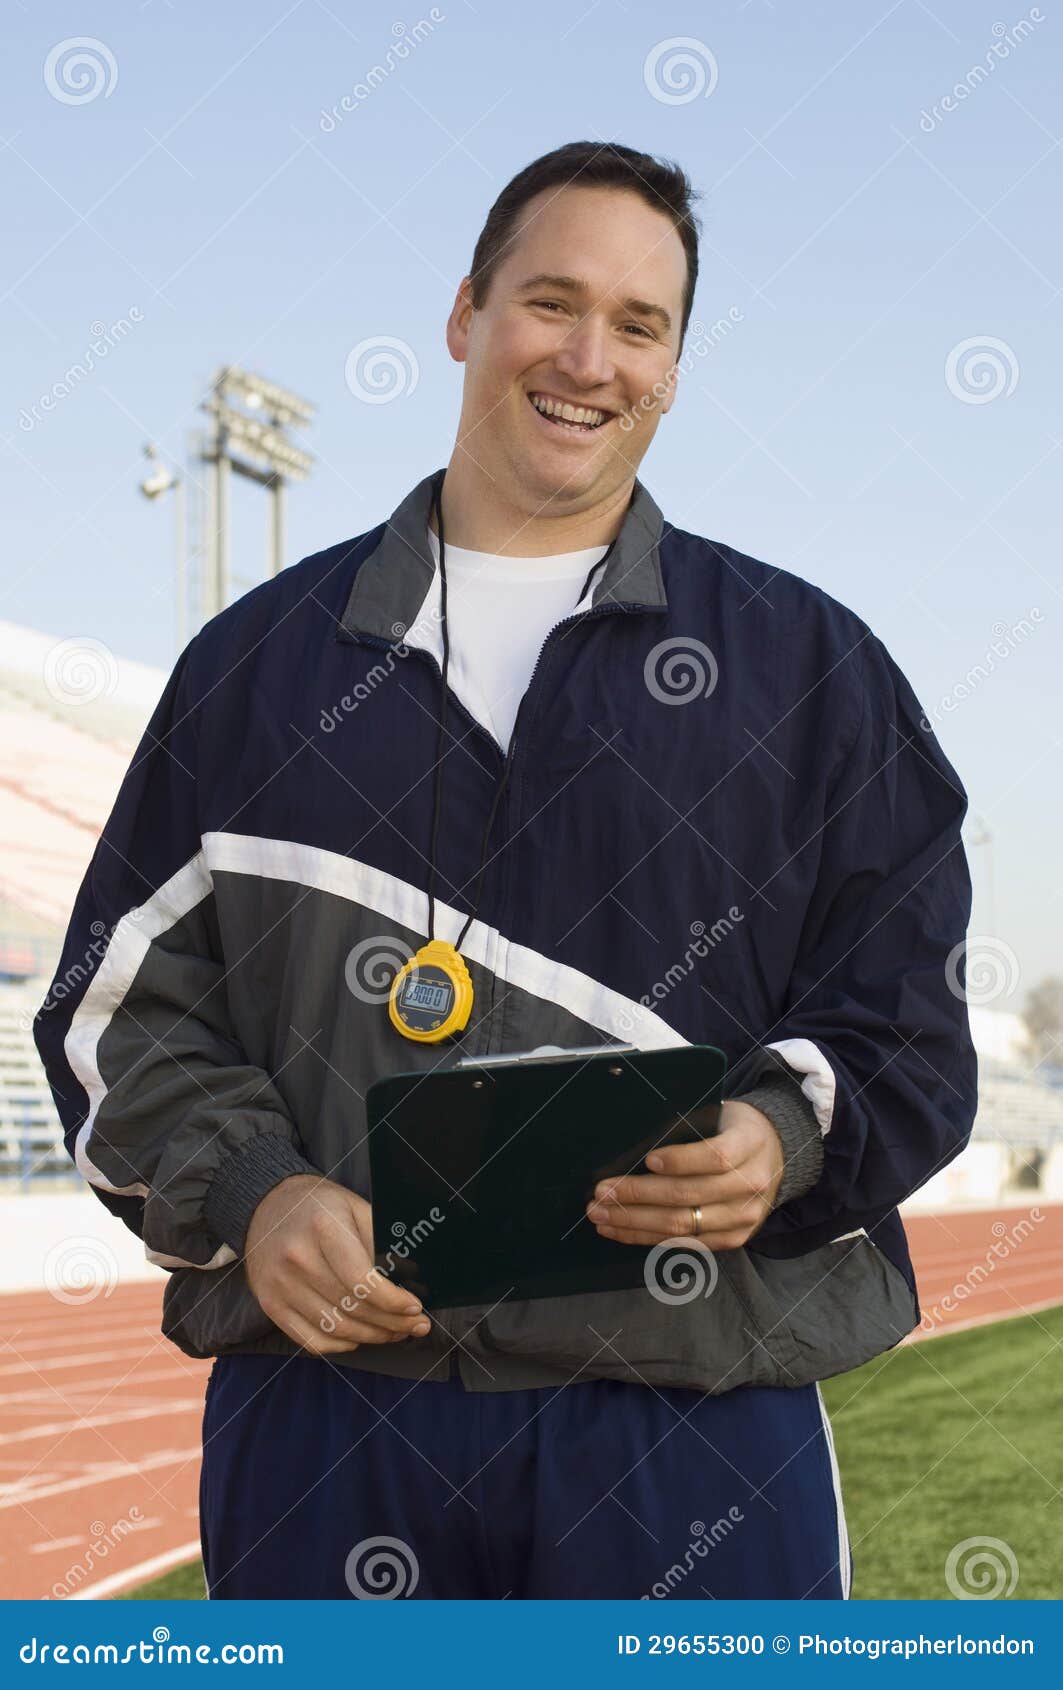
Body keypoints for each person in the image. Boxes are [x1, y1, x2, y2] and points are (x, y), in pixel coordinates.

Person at [34, 139, 977, 1601]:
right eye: (551, 301)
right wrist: (257, 1191)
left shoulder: (813, 673)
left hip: (687, 1418)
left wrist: (781, 1137)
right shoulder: (256, 669)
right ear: (466, 312)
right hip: (329, 1416)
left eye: (639, 325)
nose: (590, 359)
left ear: (673, 369)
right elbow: (115, 1019)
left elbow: (909, 1032)